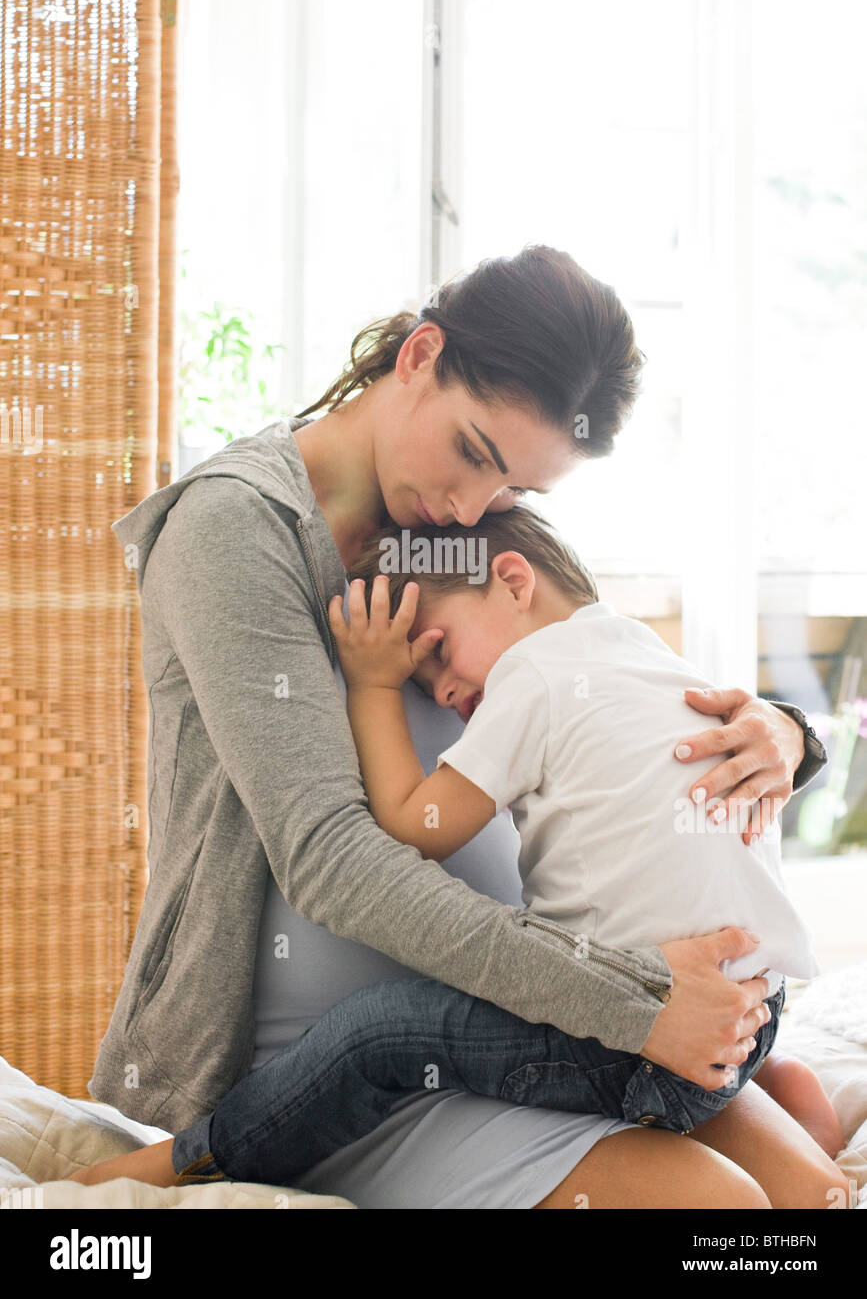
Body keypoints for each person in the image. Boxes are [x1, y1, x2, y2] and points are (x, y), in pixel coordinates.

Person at [82, 246, 833, 1208]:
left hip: (552, 1013)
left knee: (808, 1202)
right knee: (725, 1219)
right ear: (418, 355)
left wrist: (782, 733)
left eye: (516, 488)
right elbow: (331, 863)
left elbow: (617, 716)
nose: (470, 507)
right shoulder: (237, 529)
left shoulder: (480, 533)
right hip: (346, 1066)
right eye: (475, 452)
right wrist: (629, 999)